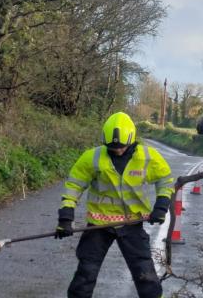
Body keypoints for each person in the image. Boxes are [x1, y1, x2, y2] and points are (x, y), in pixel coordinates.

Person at [55, 111, 175, 298]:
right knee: (85, 273)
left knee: (146, 275)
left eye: (121, 146)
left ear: (132, 139)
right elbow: (73, 186)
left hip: (132, 224)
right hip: (99, 225)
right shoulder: (92, 157)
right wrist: (65, 218)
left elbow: (165, 180)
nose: (117, 150)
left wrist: (161, 207)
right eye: (112, 147)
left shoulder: (147, 157)